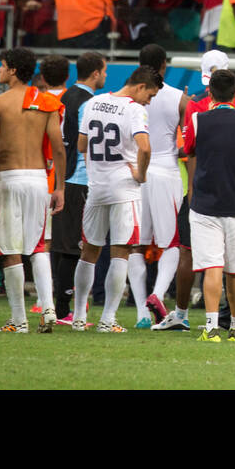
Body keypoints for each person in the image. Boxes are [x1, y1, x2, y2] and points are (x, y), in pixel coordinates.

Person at [0, 47, 66, 334]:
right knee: (38, 246)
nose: (0, 71)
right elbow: (58, 149)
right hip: (40, 179)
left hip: (9, 177)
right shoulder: (46, 103)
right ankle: (48, 309)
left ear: (13, 70)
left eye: (3, 66)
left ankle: (19, 320)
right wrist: (60, 188)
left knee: (10, 249)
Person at [72, 67, 161, 333]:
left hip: (96, 186)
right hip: (124, 188)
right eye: (151, 95)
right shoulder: (134, 109)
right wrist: (141, 174)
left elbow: (81, 144)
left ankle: (78, 317)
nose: (150, 101)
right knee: (120, 252)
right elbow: (144, 147)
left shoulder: (94, 102)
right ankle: (107, 319)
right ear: (141, 86)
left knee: (89, 251)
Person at [185, 69, 235, 343]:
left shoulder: (198, 120)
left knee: (212, 267)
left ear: (210, 93)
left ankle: (211, 328)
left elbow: (189, 150)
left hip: (205, 202)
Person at [130, 44, 188, 329]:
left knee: (136, 246)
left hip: (136, 173)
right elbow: (190, 140)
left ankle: (142, 311)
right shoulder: (179, 98)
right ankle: (158, 293)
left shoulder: (129, 95)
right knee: (172, 244)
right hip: (166, 171)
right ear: (164, 65)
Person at [51, 52, 106, 323]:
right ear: (95, 73)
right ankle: (63, 309)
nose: (105, 77)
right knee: (74, 246)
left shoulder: (63, 97)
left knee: (60, 243)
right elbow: (86, 145)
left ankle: (56, 303)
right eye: (104, 72)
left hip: (61, 177)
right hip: (80, 178)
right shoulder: (89, 103)